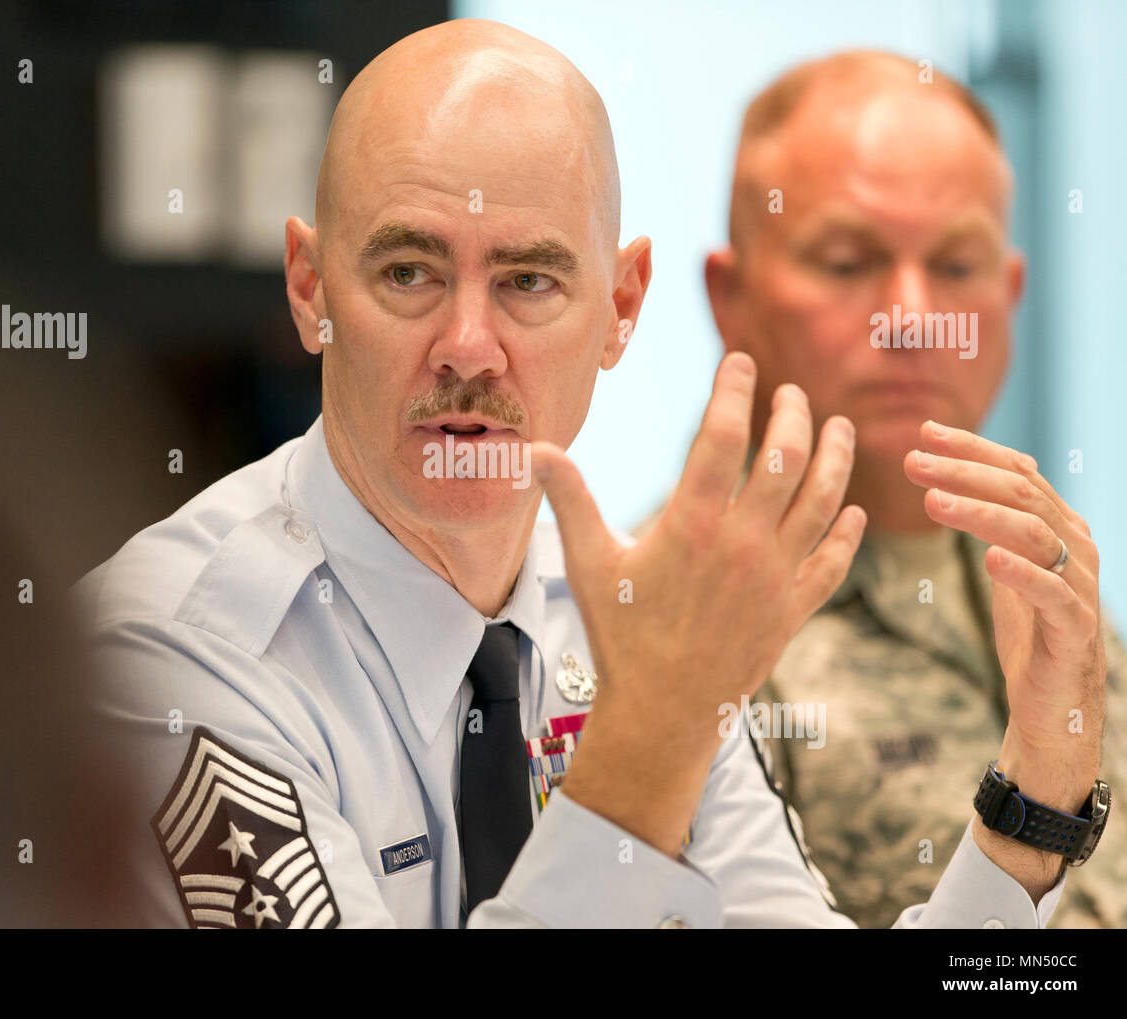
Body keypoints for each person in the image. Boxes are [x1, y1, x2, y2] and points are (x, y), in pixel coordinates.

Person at [74, 21, 1110, 928]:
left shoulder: (625, 617)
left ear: (621, 307)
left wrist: (1036, 792)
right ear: (310, 290)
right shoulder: (165, 653)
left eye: (528, 280)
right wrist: (648, 740)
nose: (468, 346)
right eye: (408, 272)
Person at [699, 50, 1126, 928]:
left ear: (1010, 299)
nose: (911, 316)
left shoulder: (1051, 580)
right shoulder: (670, 626)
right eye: (848, 262)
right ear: (731, 296)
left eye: (958, 267)